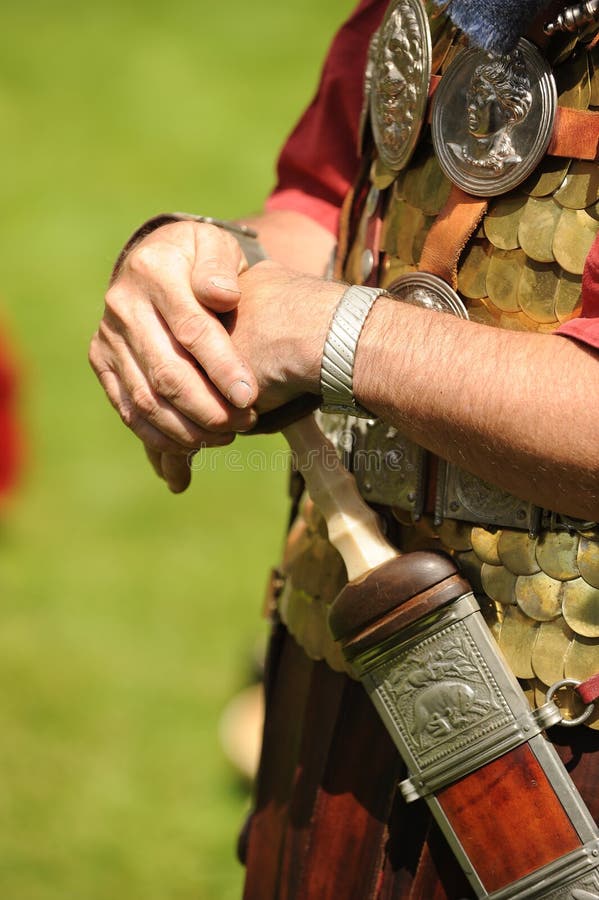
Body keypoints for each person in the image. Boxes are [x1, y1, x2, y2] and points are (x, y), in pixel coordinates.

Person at [89, 0, 599, 895]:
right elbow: (327, 202)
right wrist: (202, 273)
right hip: (338, 687)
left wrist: (339, 337)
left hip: (576, 751)